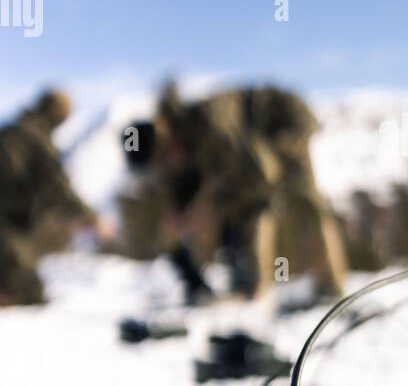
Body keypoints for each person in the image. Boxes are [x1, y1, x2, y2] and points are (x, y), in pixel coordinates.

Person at [119, 82, 347, 302]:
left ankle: (329, 288)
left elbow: (262, 174)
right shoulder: (181, 154)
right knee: (234, 201)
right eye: (158, 167)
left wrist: (210, 206)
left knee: (297, 199)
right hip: (249, 155)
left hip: (283, 122)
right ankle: (250, 284)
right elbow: (182, 210)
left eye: (164, 158)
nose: (166, 167)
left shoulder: (213, 127)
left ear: (167, 138)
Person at [0, 89, 96, 306]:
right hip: (9, 228)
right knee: (29, 295)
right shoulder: (36, 138)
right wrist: (91, 218)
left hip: (12, 227)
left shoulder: (10, 132)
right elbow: (57, 186)